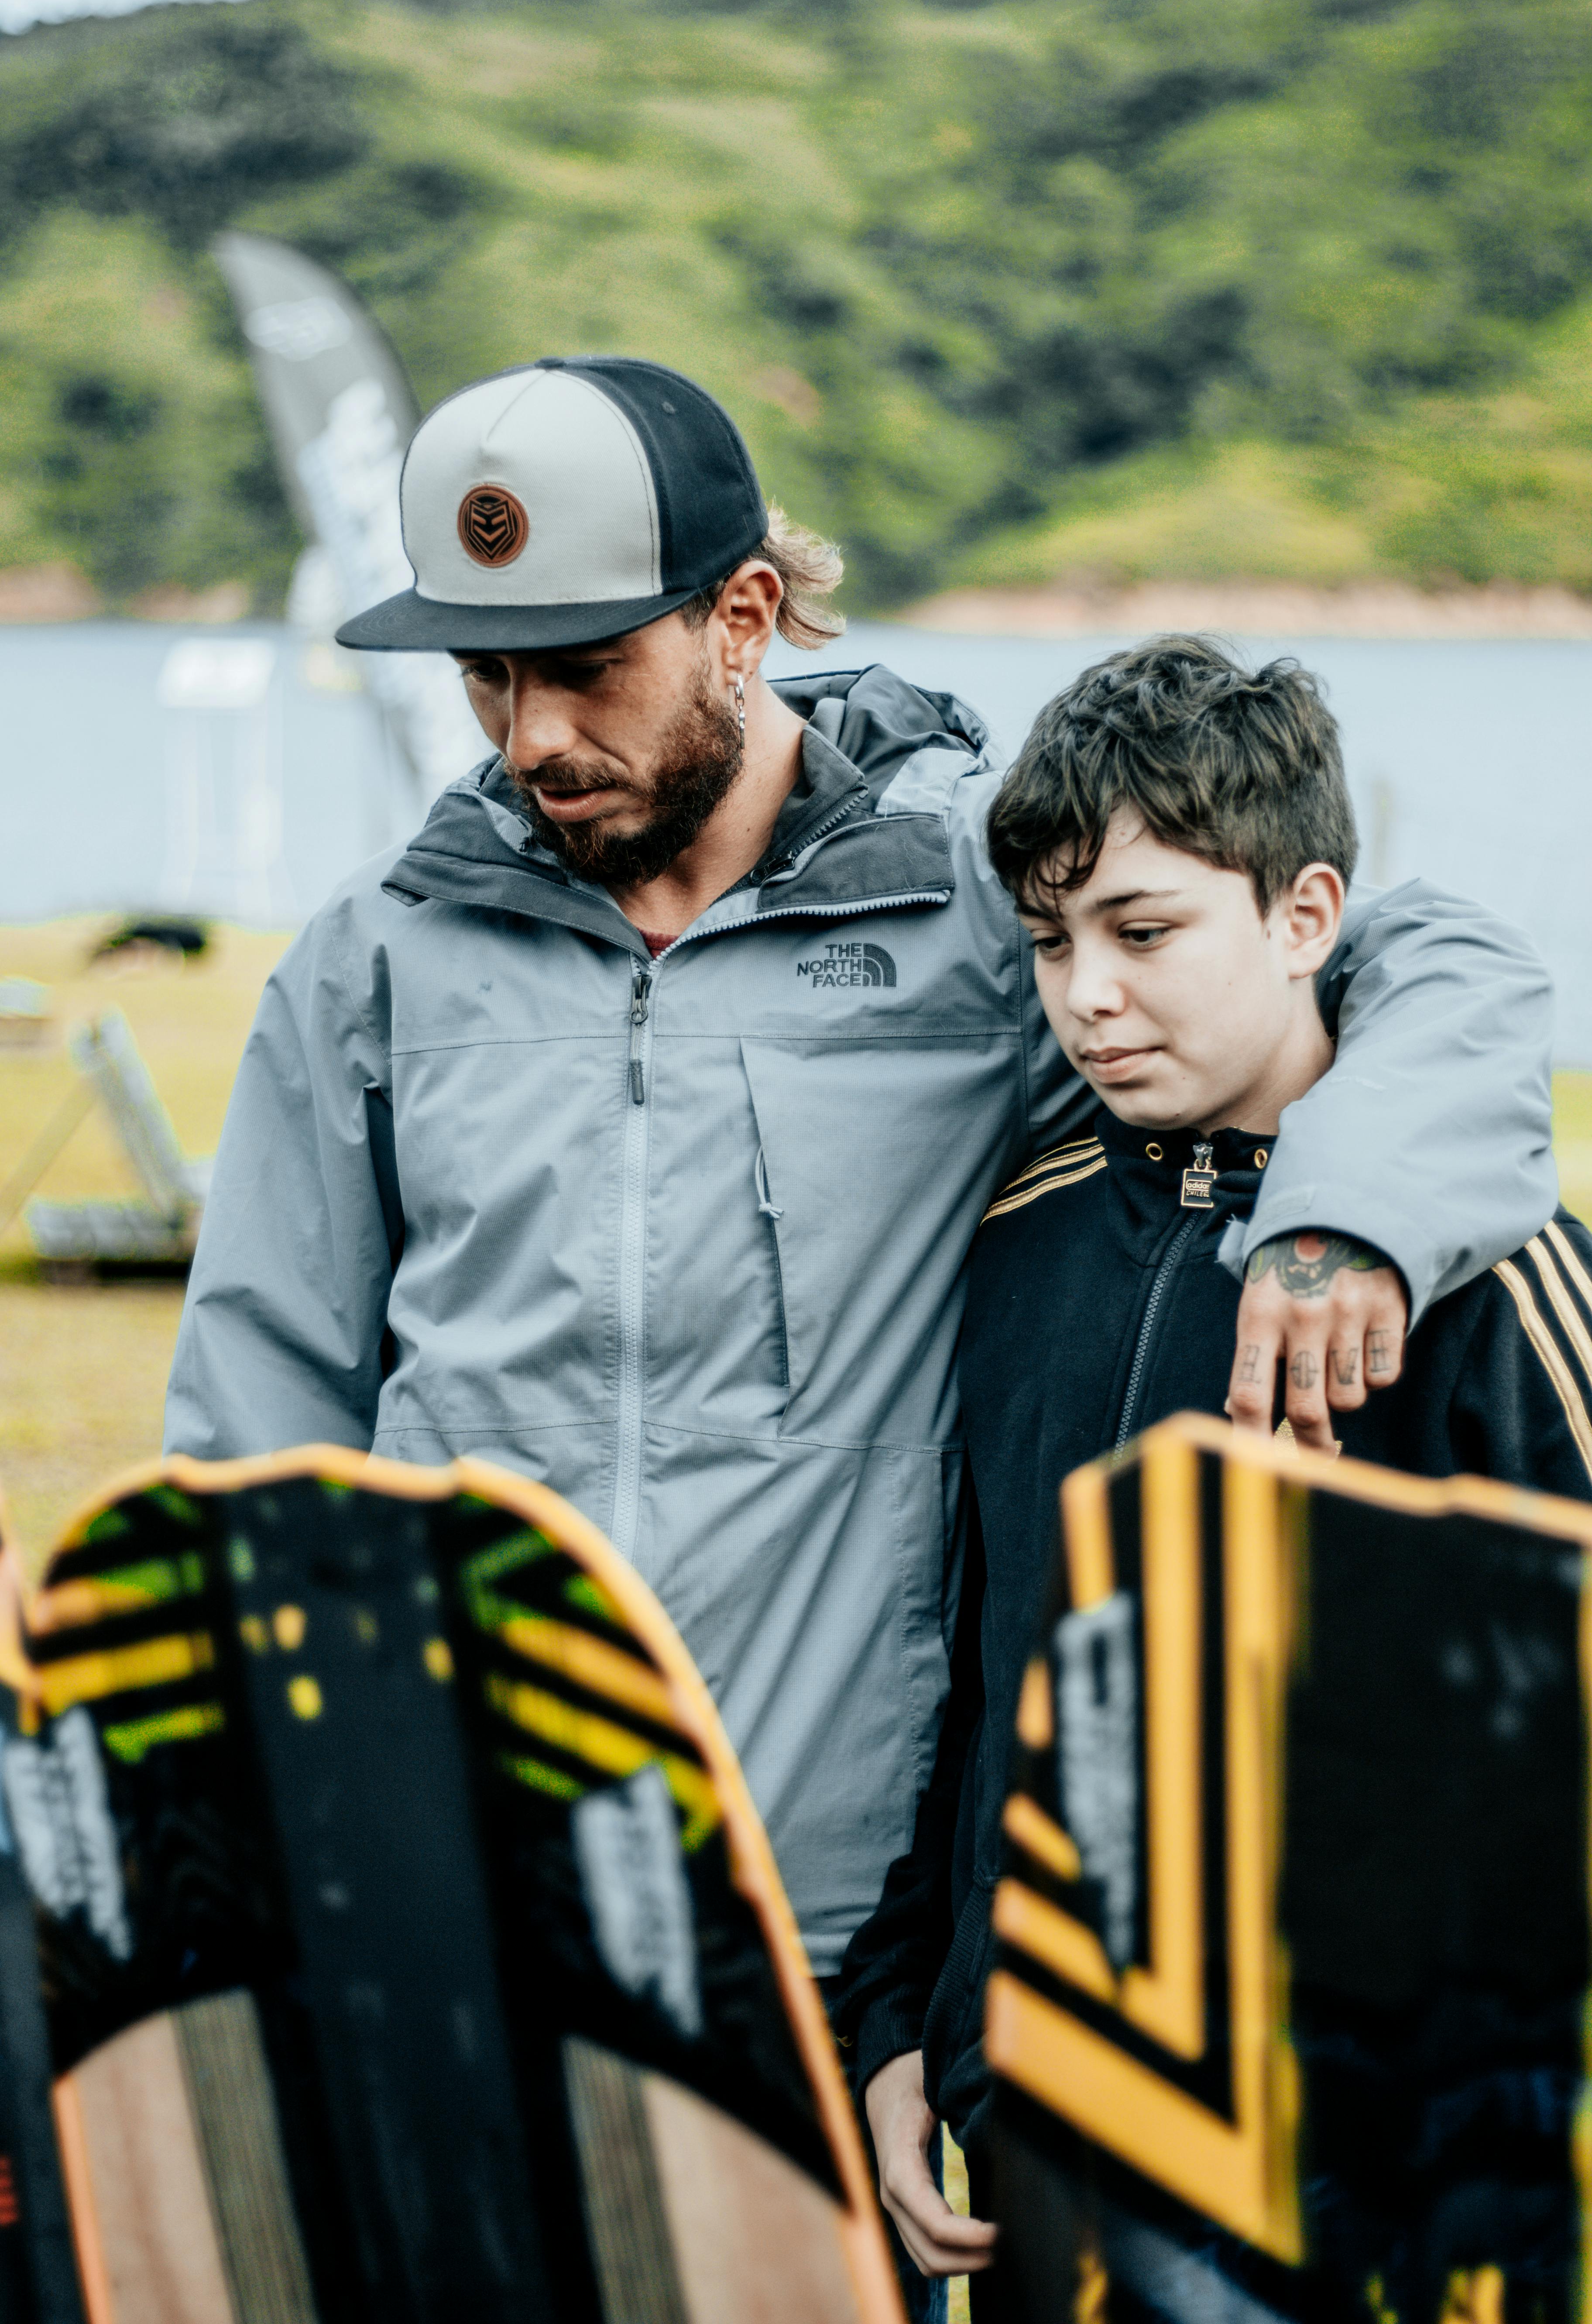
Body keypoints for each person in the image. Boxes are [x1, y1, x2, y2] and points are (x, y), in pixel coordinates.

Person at [166, 356, 1552, 2021]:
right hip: (452, 1902)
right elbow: (256, 1431)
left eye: (590, 670)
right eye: (487, 678)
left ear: (743, 616)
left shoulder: (990, 905)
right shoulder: (373, 955)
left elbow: (1411, 962)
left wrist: (1348, 1217)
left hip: (819, 1925)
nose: (534, 737)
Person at [844, 635, 1591, 2312]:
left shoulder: (1494, 1286)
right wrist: (901, 2023)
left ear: (1307, 917)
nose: (1086, 996)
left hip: (1384, 2190)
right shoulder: (1015, 1246)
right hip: (1032, 2131)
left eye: (1145, 931)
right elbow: (965, 1683)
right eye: (1050, 943)